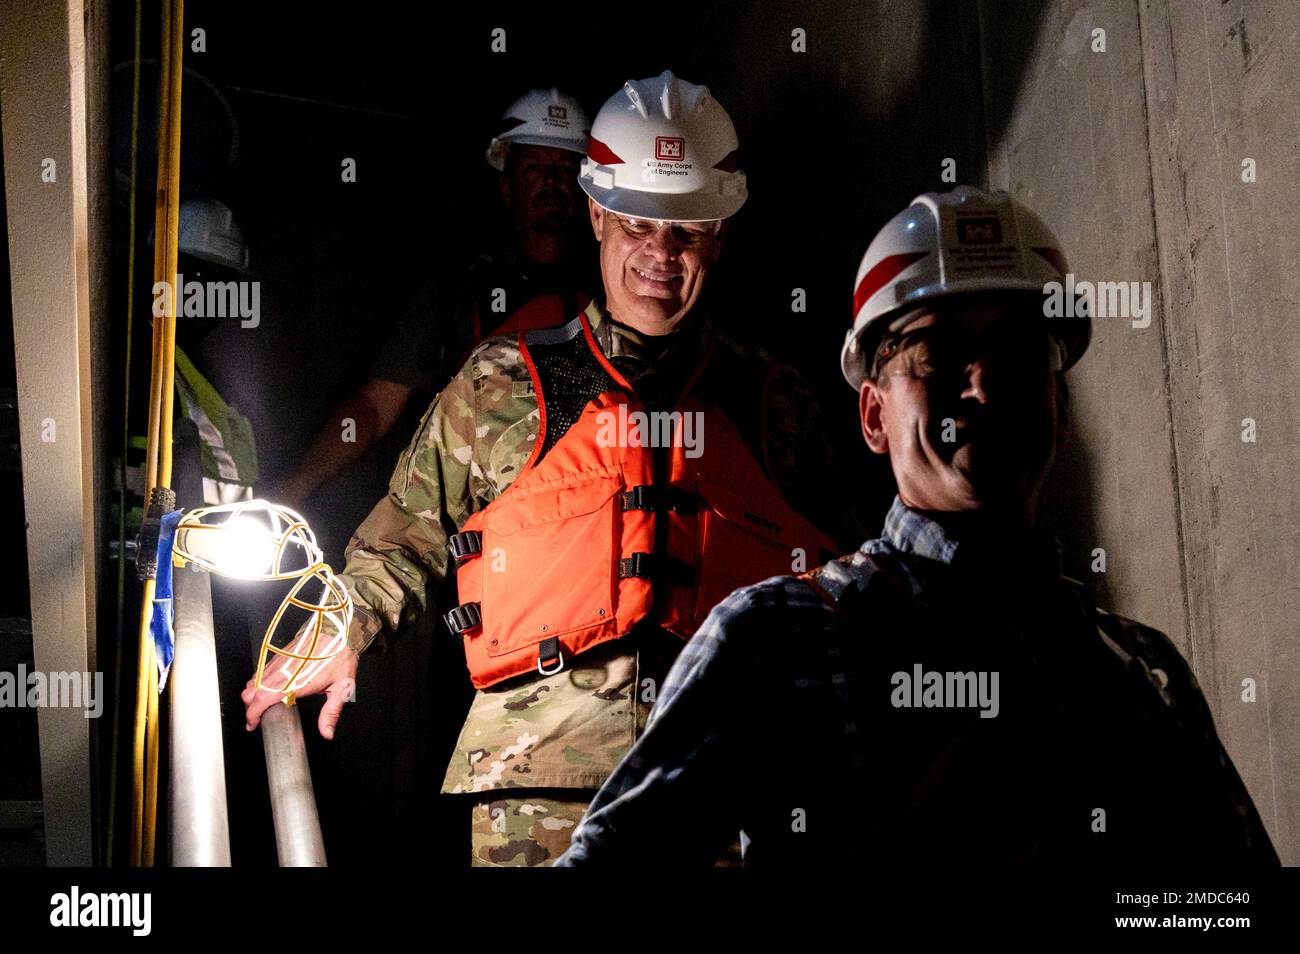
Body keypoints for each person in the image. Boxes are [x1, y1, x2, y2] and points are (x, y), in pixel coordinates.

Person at [553, 186, 1280, 866]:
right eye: (941, 354)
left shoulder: (1141, 669)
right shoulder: (777, 639)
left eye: (1020, 355)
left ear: (1056, 401)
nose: (985, 387)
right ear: (873, 416)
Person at [243, 71, 857, 866]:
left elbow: (847, 585)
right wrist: (342, 630)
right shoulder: (502, 383)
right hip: (536, 794)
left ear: (722, 232)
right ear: (597, 213)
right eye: (636, 222)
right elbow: (406, 538)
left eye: (687, 229)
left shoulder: (775, 403)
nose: (659, 255)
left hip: (729, 790)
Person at [272, 88, 596, 509]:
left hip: (583, 505)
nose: (551, 184)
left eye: (565, 169)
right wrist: (291, 490)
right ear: (507, 186)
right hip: (480, 517)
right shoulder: (461, 289)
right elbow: (375, 407)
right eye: (535, 168)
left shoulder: (614, 291)